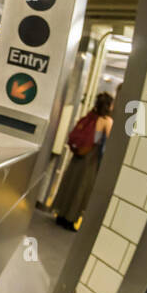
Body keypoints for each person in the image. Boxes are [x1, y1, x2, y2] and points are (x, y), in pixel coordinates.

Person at [52, 92, 114, 231]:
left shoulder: (90, 116)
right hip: (90, 159)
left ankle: (61, 215)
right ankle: (70, 220)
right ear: (108, 105)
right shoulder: (106, 121)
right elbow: (111, 139)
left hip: (78, 156)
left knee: (70, 184)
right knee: (81, 188)